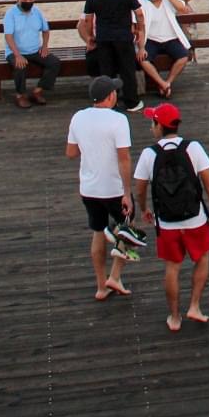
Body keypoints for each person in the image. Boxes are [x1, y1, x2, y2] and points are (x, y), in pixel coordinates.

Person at [132, 102, 209, 330]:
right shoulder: (193, 147)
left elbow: (141, 188)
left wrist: (144, 208)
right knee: (202, 259)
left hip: (166, 221)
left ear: (158, 126)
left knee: (172, 268)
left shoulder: (149, 154)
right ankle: (195, 305)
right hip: (195, 218)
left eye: (152, 123)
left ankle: (174, 317)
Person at [66, 76, 142, 301]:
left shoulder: (78, 117)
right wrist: (127, 192)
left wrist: (90, 147)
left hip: (89, 188)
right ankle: (115, 275)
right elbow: (124, 159)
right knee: (129, 230)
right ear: (110, 96)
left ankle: (101, 285)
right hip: (114, 189)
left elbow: (71, 153)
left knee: (97, 232)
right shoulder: (118, 120)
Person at [80, 0, 146, 112]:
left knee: (107, 71)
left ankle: (109, 101)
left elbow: (88, 20)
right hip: (123, 37)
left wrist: (90, 36)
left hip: (103, 38)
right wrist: (139, 29)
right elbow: (139, 13)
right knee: (127, 70)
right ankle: (131, 102)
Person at [137, 0, 195, 96]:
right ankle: (162, 84)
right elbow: (140, 28)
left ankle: (168, 82)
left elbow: (182, 9)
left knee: (184, 56)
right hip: (151, 40)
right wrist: (141, 48)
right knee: (143, 59)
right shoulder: (141, 3)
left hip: (171, 39)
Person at [3, 0, 60, 108]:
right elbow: (8, 36)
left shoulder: (37, 12)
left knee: (54, 62)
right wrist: (17, 55)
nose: (28, 1)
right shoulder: (10, 14)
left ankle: (38, 91)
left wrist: (44, 46)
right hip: (15, 51)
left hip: (35, 50)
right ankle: (21, 95)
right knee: (20, 65)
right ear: (18, 0)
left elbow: (45, 30)